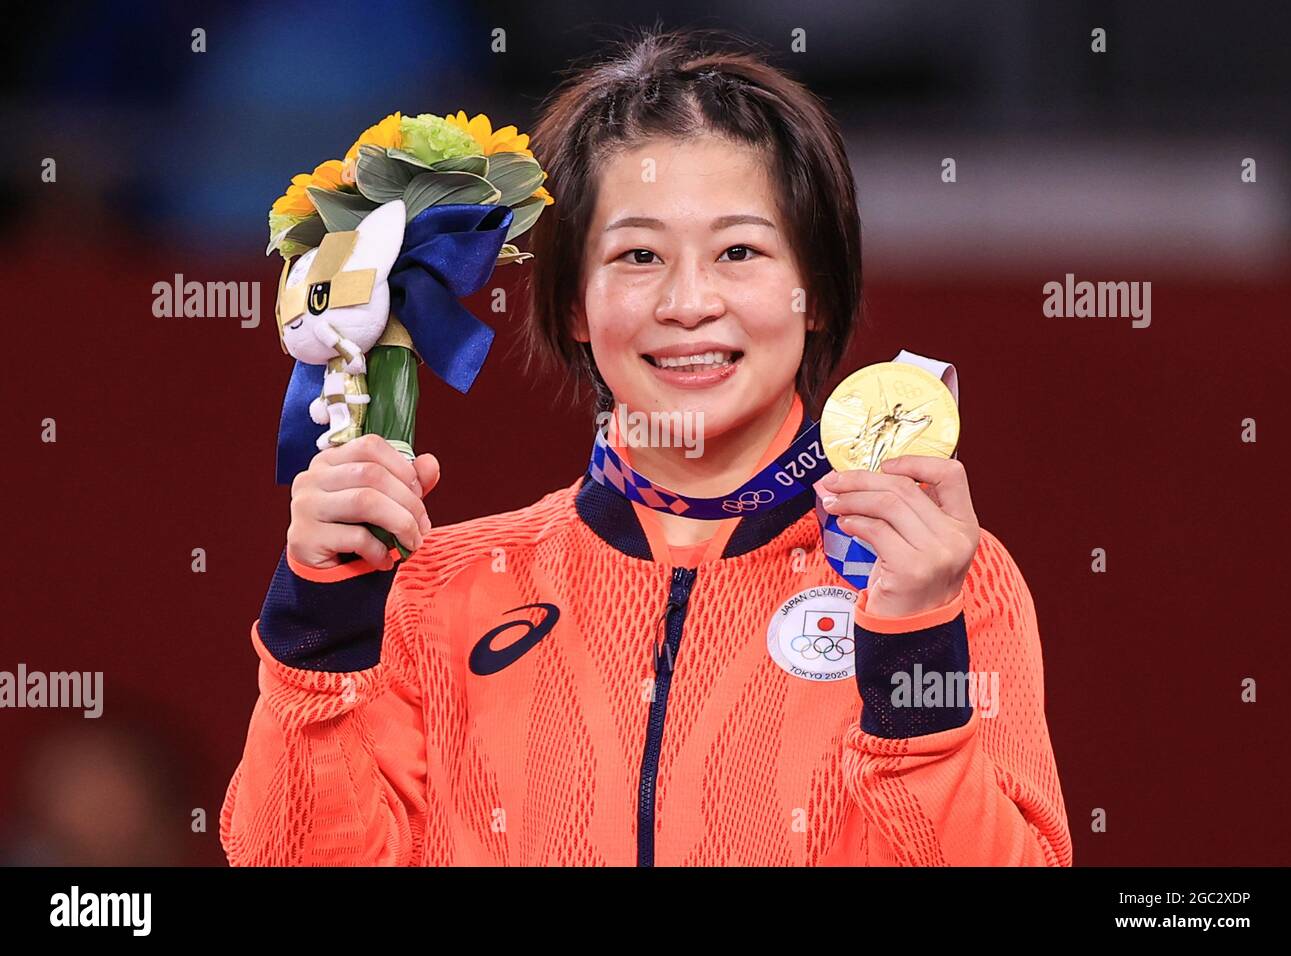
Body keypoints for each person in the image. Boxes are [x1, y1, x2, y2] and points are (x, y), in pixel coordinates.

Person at [220, 26, 1072, 866]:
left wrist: (915, 643)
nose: (690, 301)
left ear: (814, 292)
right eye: (638, 256)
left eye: (739, 250)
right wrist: (318, 630)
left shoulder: (940, 577)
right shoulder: (433, 591)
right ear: (572, 309)